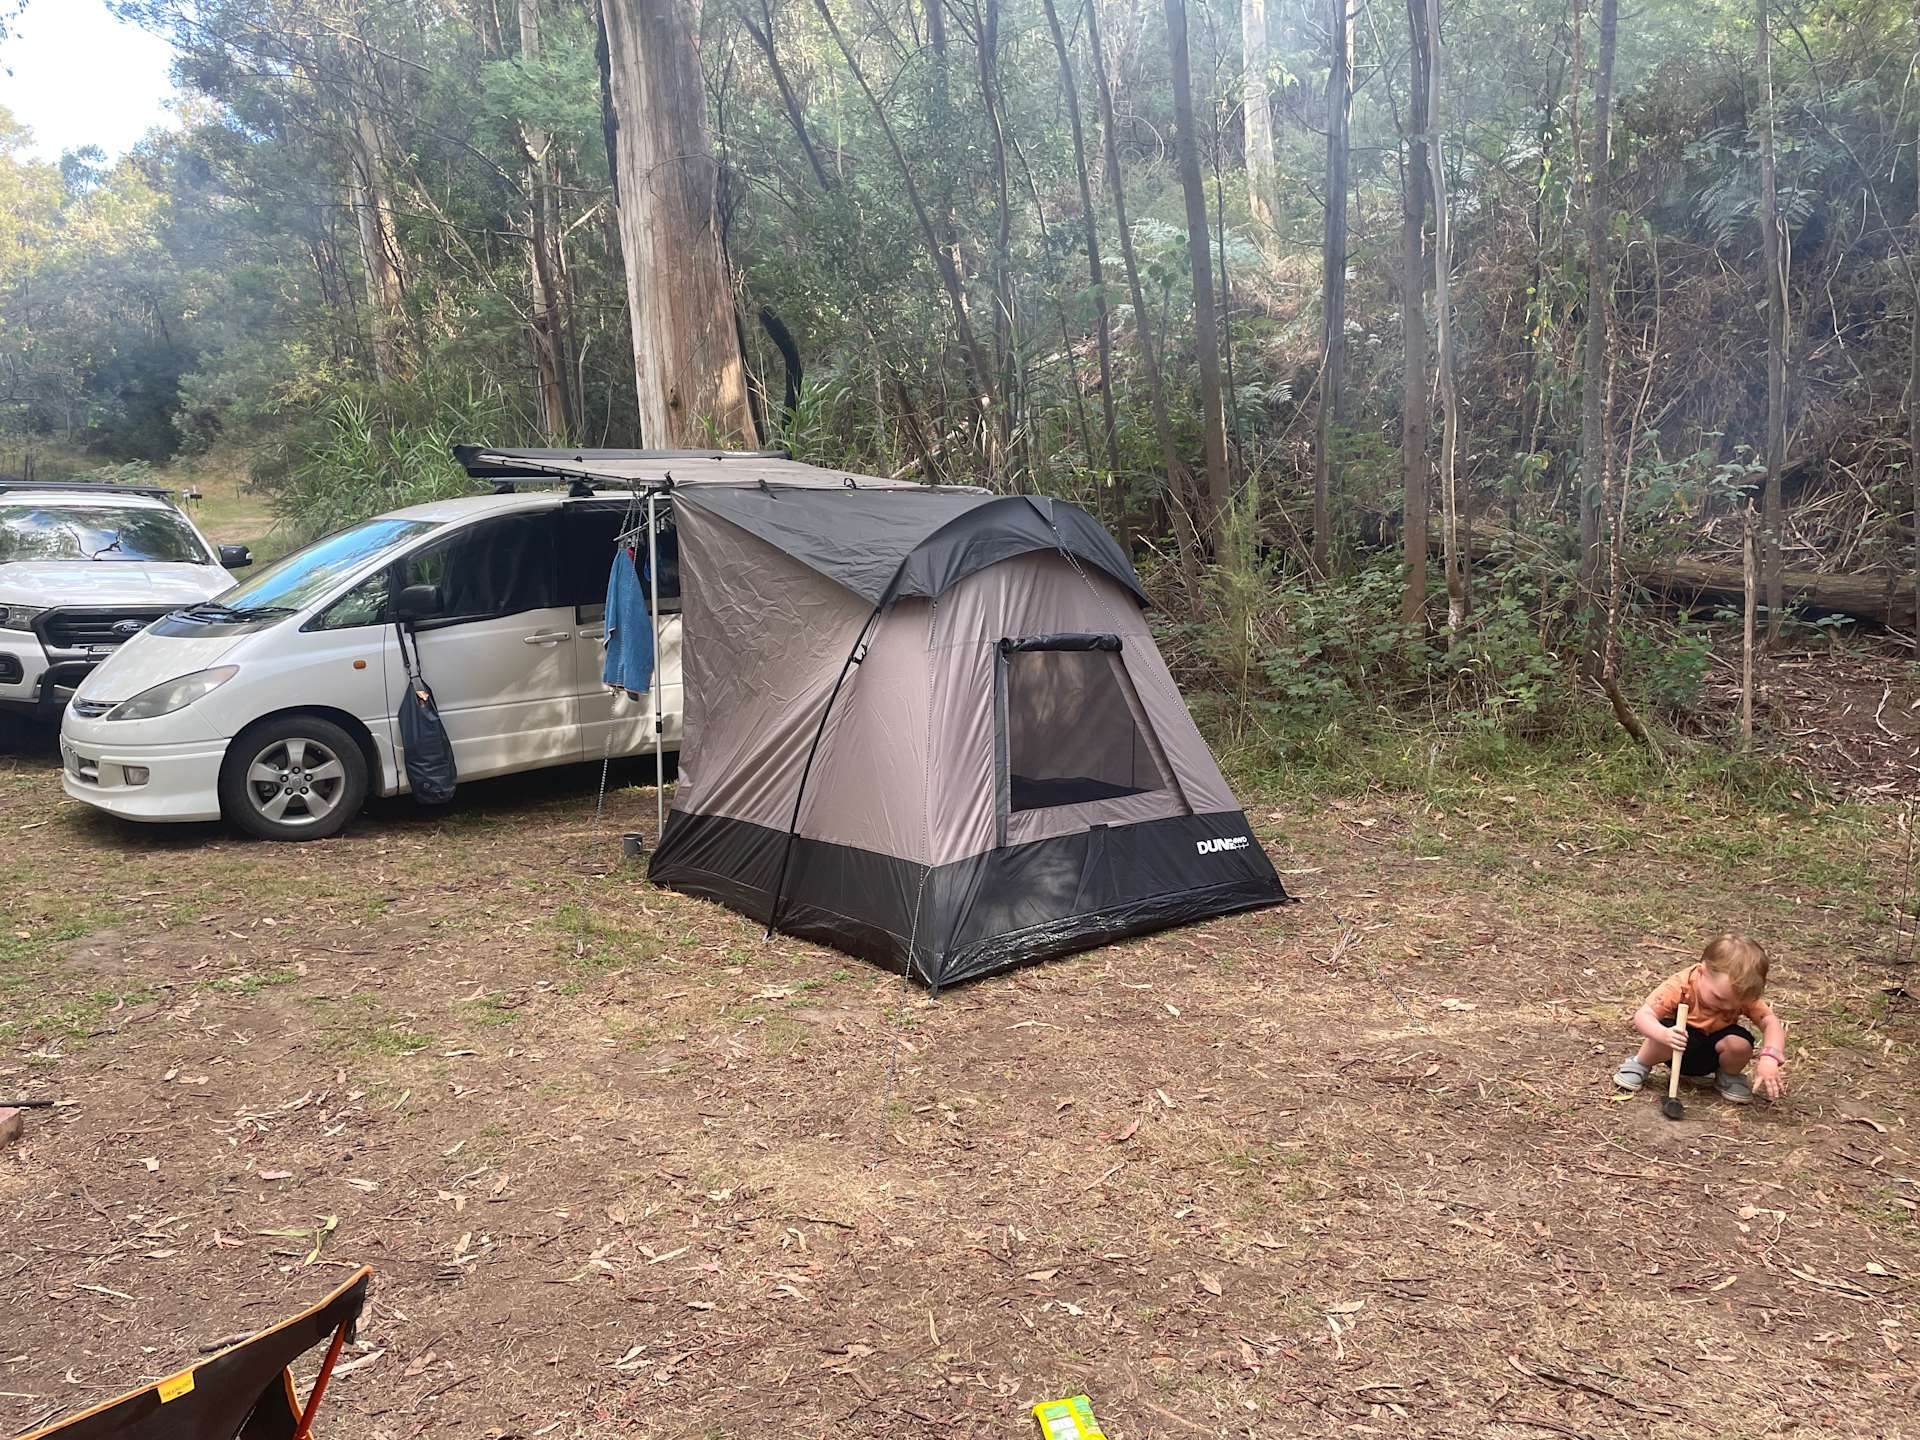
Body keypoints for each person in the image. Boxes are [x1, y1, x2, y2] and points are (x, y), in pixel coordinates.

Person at [1612, 934, 1787, 1104]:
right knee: (1666, 1036)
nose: (1727, 1007)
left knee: (1739, 1044)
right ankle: (1640, 1063)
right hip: (1678, 1044)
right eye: (1719, 998)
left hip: (1714, 1049)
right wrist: (1663, 1034)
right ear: (1701, 971)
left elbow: (1770, 1022)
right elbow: (1644, 1015)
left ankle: (1728, 1075)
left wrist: (1770, 1057)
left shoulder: (1740, 992)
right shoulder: (1681, 985)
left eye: (1737, 1003)